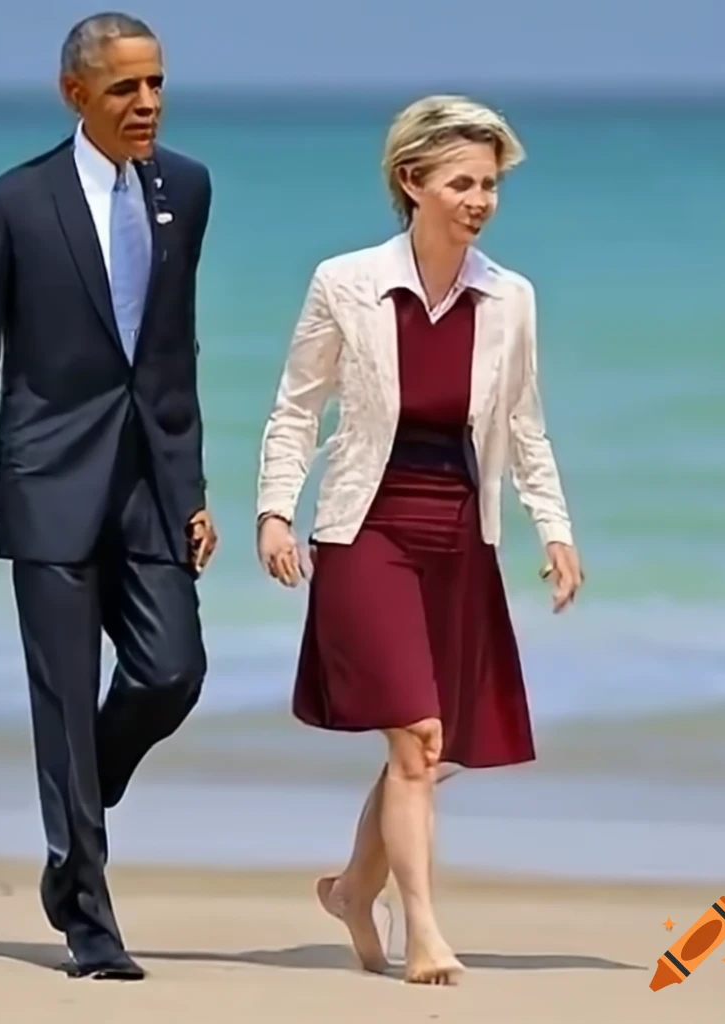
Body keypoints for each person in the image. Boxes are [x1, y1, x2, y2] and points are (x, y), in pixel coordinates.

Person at [255, 95, 583, 985]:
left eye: (490, 184)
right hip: (367, 533)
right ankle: (425, 933)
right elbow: (297, 407)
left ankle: (352, 890)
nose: (481, 199)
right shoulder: (346, 282)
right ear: (413, 182)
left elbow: (524, 425)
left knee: (428, 754)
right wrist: (275, 511)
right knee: (418, 737)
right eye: (463, 182)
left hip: (459, 539)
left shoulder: (510, 298)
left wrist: (553, 528)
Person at [0, 12, 217, 981]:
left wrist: (191, 485)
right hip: (47, 480)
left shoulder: (187, 187)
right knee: (60, 708)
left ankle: (75, 815)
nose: (145, 105)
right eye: (123, 90)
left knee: (172, 671)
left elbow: (173, 354)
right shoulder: (10, 205)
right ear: (75, 95)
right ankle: (91, 923)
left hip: (149, 483)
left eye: (155, 85)